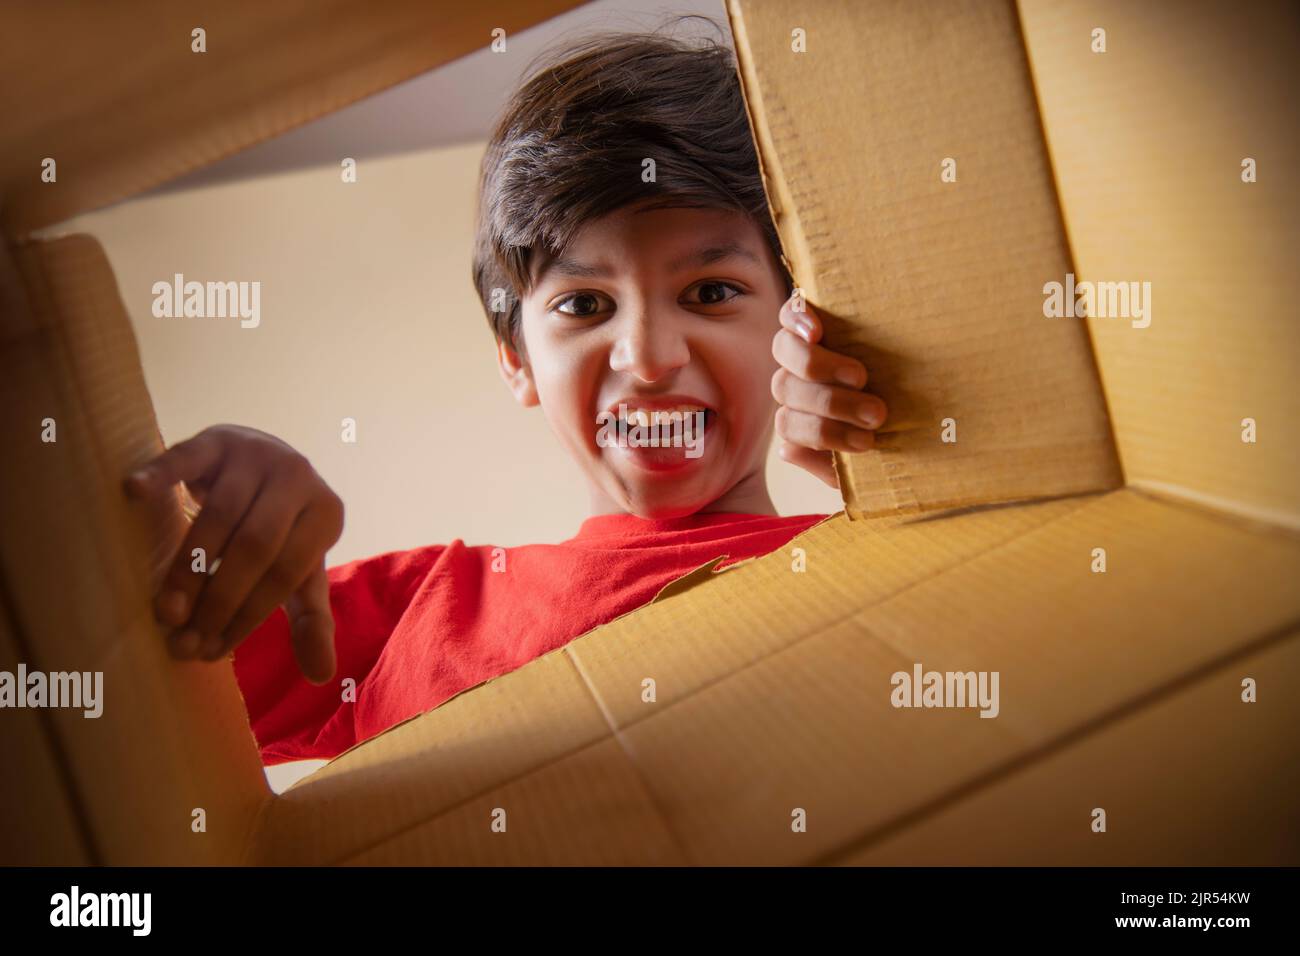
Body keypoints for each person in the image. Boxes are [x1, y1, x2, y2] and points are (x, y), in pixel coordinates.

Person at [123, 28, 888, 765]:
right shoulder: (409, 615)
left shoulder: (885, 562)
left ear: (796, 321)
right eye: (585, 305)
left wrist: (896, 491)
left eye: (711, 291)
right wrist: (207, 522)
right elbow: (105, 679)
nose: (651, 359)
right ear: (515, 359)